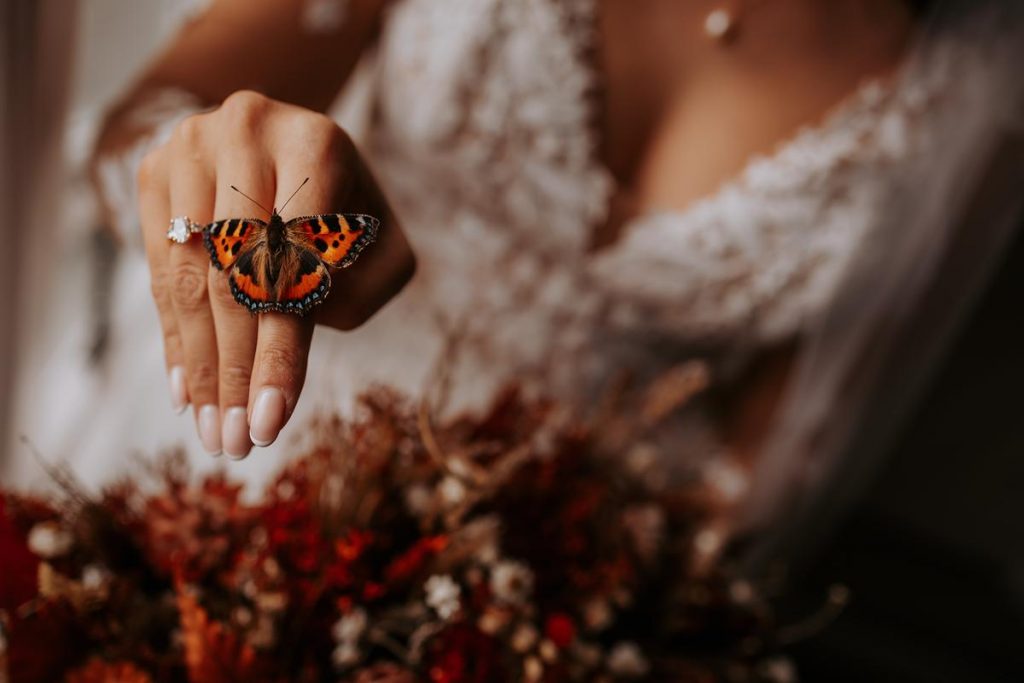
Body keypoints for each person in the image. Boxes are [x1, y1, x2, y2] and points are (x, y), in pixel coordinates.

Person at [62, 0, 1024, 555]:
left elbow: (763, 466)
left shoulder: (972, 98)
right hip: (234, 447)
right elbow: (146, 118)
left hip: (543, 575)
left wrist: (550, 593)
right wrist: (194, 160)